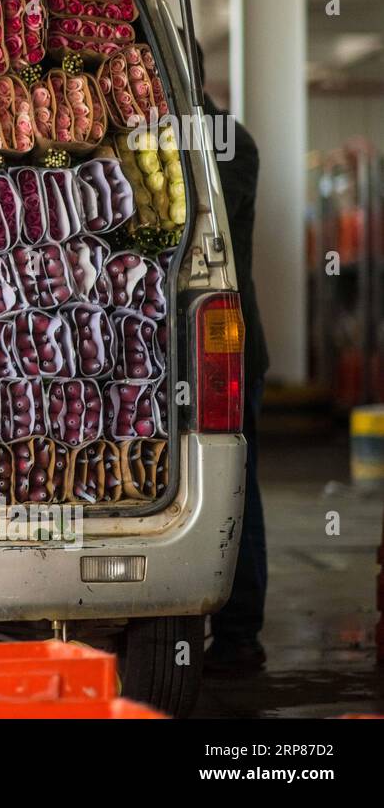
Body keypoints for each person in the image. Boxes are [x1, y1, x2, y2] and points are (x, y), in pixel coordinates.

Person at [188, 38, 271, 673]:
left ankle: (240, 632)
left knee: (233, 479)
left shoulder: (227, 142)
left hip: (225, 345)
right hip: (188, 342)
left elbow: (202, 217)